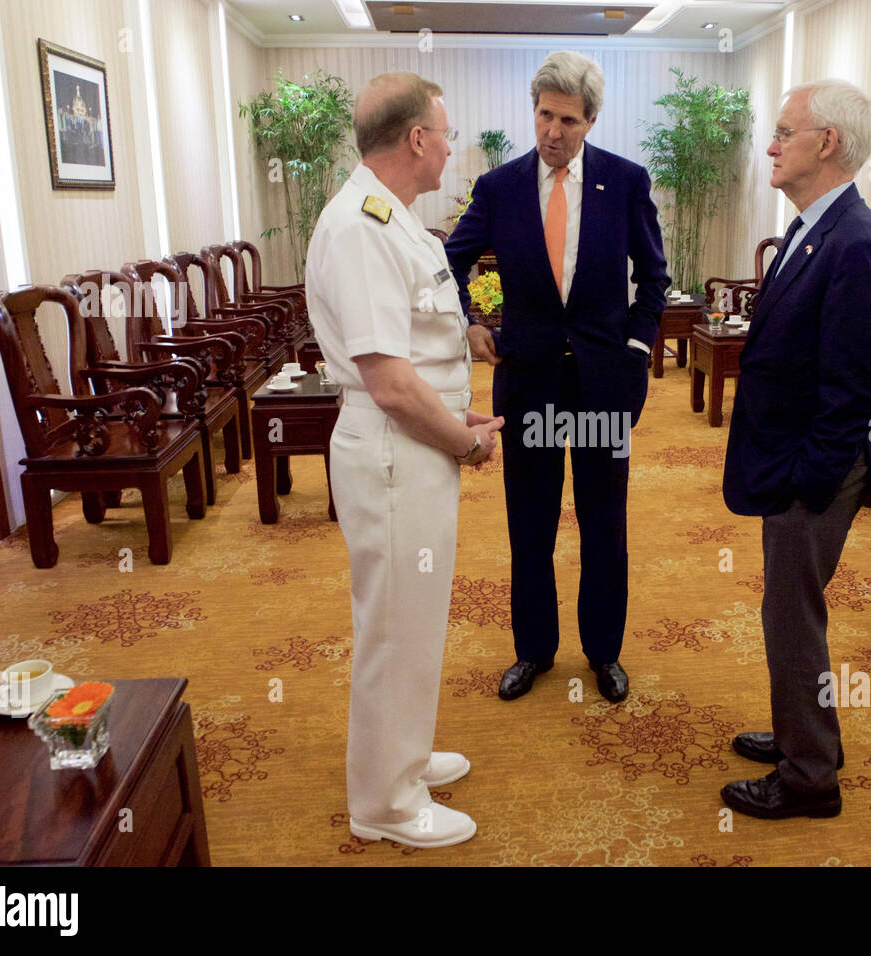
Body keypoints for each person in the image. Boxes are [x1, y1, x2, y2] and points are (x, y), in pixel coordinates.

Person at [306, 72, 505, 848]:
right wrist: (464, 440)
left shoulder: (392, 221)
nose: (452, 148)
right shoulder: (359, 226)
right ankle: (385, 804)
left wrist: (454, 416)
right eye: (445, 134)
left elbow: (414, 358)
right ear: (417, 139)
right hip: (396, 452)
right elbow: (388, 382)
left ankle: (406, 759)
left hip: (415, 447)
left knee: (414, 619)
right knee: (394, 625)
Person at [446, 51, 670, 704]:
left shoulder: (626, 183)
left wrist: (634, 348)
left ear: (591, 121)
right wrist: (468, 322)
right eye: (544, 114)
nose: (552, 131)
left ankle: (604, 652)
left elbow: (654, 278)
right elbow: (448, 262)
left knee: (605, 522)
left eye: (568, 120)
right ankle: (534, 650)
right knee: (531, 523)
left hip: (603, 383)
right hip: (530, 381)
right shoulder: (500, 188)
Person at [719, 79, 871, 819]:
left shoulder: (857, 242)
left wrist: (805, 483)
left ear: (826, 143)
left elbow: (853, 390)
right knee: (787, 609)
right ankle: (804, 732)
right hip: (791, 455)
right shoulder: (810, 225)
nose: (770, 145)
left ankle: (810, 777)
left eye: (784, 132)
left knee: (791, 616)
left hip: (816, 468)